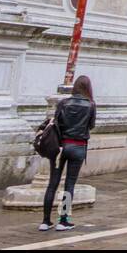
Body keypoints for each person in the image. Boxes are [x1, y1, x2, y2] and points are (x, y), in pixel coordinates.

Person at [41, 76, 96, 232]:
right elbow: (91, 125)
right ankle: (63, 220)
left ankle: (45, 221)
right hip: (78, 147)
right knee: (69, 184)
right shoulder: (91, 105)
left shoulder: (63, 103)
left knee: (53, 183)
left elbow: (56, 122)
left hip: (59, 147)